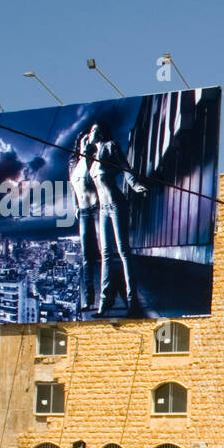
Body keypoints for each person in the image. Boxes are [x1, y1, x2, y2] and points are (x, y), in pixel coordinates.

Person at [84, 121, 147, 316]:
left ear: (101, 132)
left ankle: (132, 300)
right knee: (106, 255)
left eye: (94, 130)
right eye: (90, 130)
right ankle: (104, 303)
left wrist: (136, 185)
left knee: (123, 252)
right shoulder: (92, 158)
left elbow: (126, 168)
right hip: (103, 209)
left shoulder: (110, 146)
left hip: (117, 204)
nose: (91, 133)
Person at [67, 130, 100, 315]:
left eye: (89, 139)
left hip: (99, 207)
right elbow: (73, 186)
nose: (86, 142)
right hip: (84, 210)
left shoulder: (97, 157)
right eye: (83, 140)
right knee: (87, 257)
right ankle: (89, 299)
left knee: (105, 254)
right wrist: (75, 207)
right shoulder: (72, 162)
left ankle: (108, 298)